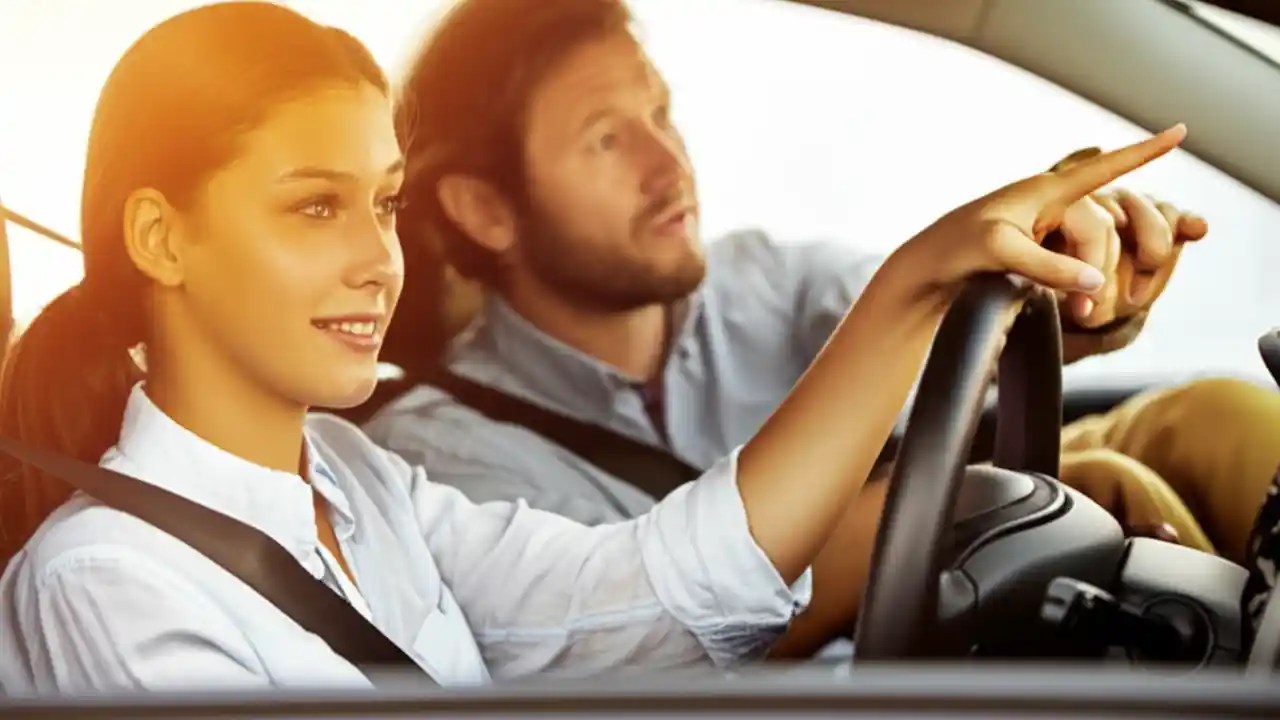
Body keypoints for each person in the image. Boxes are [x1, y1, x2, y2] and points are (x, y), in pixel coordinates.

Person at [0, 1, 1190, 694]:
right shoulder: (109, 581)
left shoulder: (368, 491)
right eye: (316, 206)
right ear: (160, 236)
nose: (379, 257)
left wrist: (918, 281)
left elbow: (657, 590)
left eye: (382, 202)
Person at [366, 0, 1280, 658]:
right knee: (1097, 486)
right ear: (485, 209)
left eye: (660, 114)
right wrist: (960, 512)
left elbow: (973, 340)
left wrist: (1082, 286)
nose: (667, 163)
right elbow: (637, 640)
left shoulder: (764, 280)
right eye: (607, 138)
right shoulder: (440, 462)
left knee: (1211, 414)